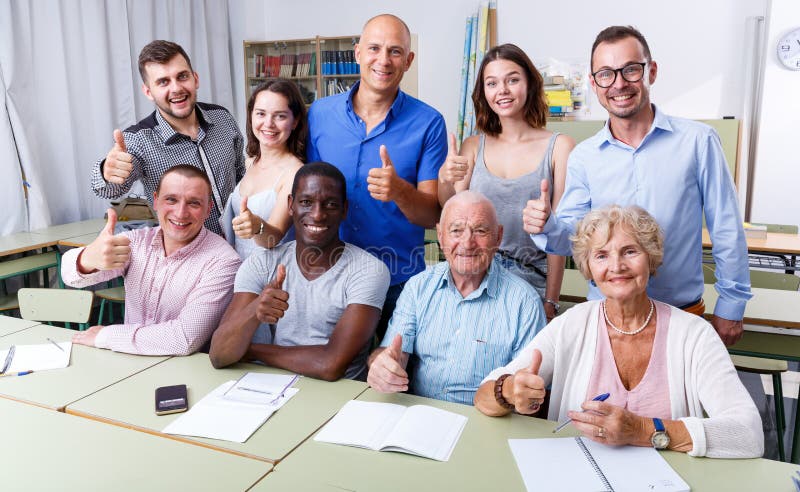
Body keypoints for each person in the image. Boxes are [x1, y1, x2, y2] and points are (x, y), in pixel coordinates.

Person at [523, 26, 751, 346]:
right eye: (605, 74)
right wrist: (547, 226)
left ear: (651, 71)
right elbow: (572, 242)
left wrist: (732, 304)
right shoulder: (584, 157)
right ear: (593, 83)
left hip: (681, 317)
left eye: (630, 69)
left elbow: (726, 227)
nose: (618, 84)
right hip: (607, 317)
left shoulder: (698, 142)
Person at [476, 205, 763, 459]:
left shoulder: (694, 335)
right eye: (601, 255)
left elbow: (748, 434)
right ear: (588, 267)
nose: (616, 266)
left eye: (629, 251)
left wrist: (641, 430)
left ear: (650, 259)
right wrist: (508, 391)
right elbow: (484, 395)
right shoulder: (572, 325)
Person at [307, 14, 448, 339]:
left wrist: (400, 190)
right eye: (374, 48)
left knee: (393, 382)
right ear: (357, 53)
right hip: (330, 276)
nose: (383, 60)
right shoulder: (319, 115)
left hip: (397, 283)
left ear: (409, 60)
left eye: (395, 51)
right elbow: (304, 196)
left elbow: (432, 216)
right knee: (331, 379)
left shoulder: (429, 123)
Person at [209, 162, 390, 381]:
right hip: (275, 387)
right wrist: (254, 310)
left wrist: (249, 351)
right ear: (290, 205)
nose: (317, 214)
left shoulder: (368, 270)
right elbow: (219, 354)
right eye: (306, 202)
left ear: (344, 210)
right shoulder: (262, 263)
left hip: (340, 397)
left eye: (330, 205)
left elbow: (330, 365)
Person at [367, 191, 546, 405]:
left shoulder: (525, 302)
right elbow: (394, 355)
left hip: (489, 421)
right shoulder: (418, 287)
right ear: (441, 236)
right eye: (456, 230)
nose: (467, 242)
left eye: (480, 230)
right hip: (419, 415)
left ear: (498, 237)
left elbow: (526, 389)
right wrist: (382, 366)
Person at [438, 43, 574, 321]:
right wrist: (445, 176)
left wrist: (550, 300)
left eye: (512, 79)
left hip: (530, 282)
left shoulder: (561, 147)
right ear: (483, 92)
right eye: (492, 83)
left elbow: (558, 239)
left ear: (530, 84)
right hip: (472, 276)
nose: (502, 90)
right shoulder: (473, 146)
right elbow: (448, 207)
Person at [63, 165, 241, 356]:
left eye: (194, 203)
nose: (181, 213)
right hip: (127, 360)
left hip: (184, 373)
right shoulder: (137, 242)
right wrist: (88, 258)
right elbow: (69, 277)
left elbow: (185, 339)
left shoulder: (223, 261)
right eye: (171, 199)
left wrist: (105, 336)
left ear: (208, 209)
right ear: (155, 201)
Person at [91, 40, 245, 236]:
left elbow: (241, 174)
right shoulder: (139, 140)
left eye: (182, 76)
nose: (176, 88)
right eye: (163, 82)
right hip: (188, 257)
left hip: (240, 245)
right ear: (148, 92)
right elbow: (109, 190)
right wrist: (107, 171)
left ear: (195, 78)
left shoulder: (222, 117)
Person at [221, 79, 305, 258]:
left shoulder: (295, 173)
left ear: (295, 121)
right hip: (237, 269)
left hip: (270, 272)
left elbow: (273, 238)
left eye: (280, 116)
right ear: (251, 115)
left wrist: (257, 226)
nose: (268, 124)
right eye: (261, 114)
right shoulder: (249, 162)